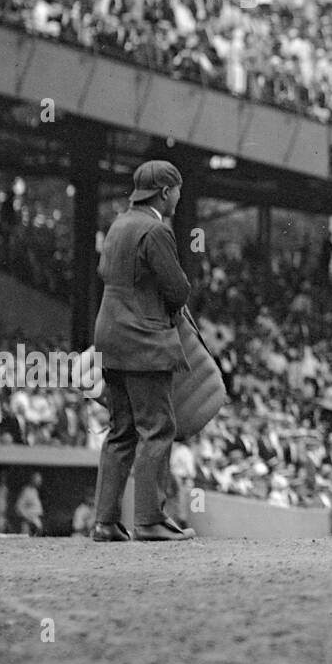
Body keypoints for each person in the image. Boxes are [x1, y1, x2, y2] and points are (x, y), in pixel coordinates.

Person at [91, 160, 196, 542]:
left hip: (109, 336)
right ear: (165, 192)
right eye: (177, 190)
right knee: (157, 427)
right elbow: (178, 289)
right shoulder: (156, 230)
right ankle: (150, 519)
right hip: (143, 340)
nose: (179, 197)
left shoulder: (118, 224)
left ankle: (105, 522)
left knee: (120, 430)